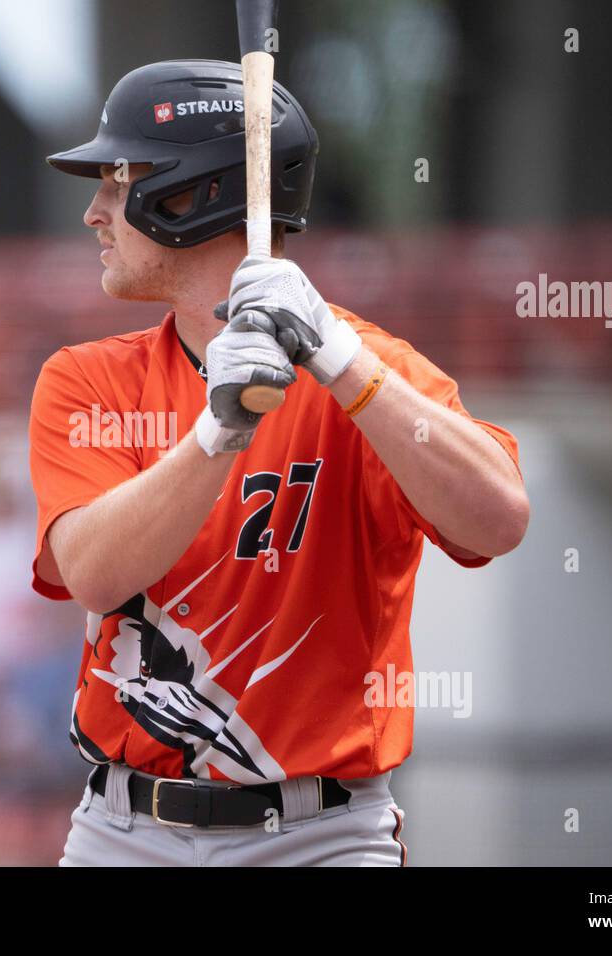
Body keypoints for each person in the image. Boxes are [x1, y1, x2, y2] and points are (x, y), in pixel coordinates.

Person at [28, 60, 528, 866]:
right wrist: (215, 437)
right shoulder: (88, 378)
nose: (92, 213)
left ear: (195, 194)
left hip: (321, 835)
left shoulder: (370, 370)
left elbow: (500, 518)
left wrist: (339, 359)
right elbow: (93, 571)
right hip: (124, 831)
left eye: (117, 185)